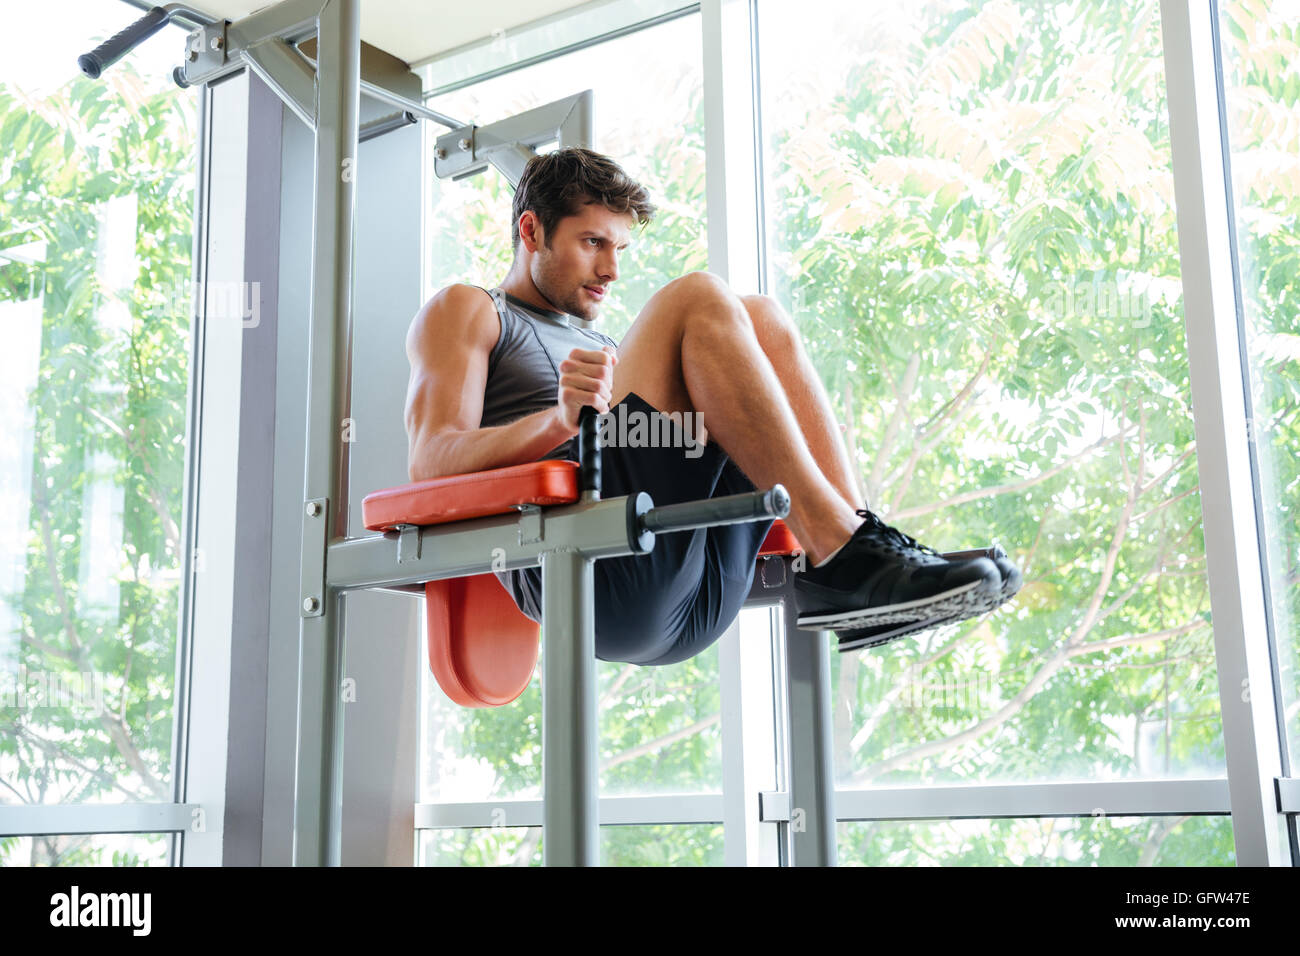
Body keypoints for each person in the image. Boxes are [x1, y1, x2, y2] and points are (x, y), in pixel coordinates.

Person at [403, 147, 1021, 665]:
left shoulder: (607, 348)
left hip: (693, 582)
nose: (612, 268)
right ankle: (845, 554)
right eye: (593, 242)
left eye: (620, 247)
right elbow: (431, 460)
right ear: (531, 230)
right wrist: (559, 421)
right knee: (697, 295)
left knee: (764, 320)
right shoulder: (470, 309)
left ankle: (850, 550)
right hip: (586, 569)